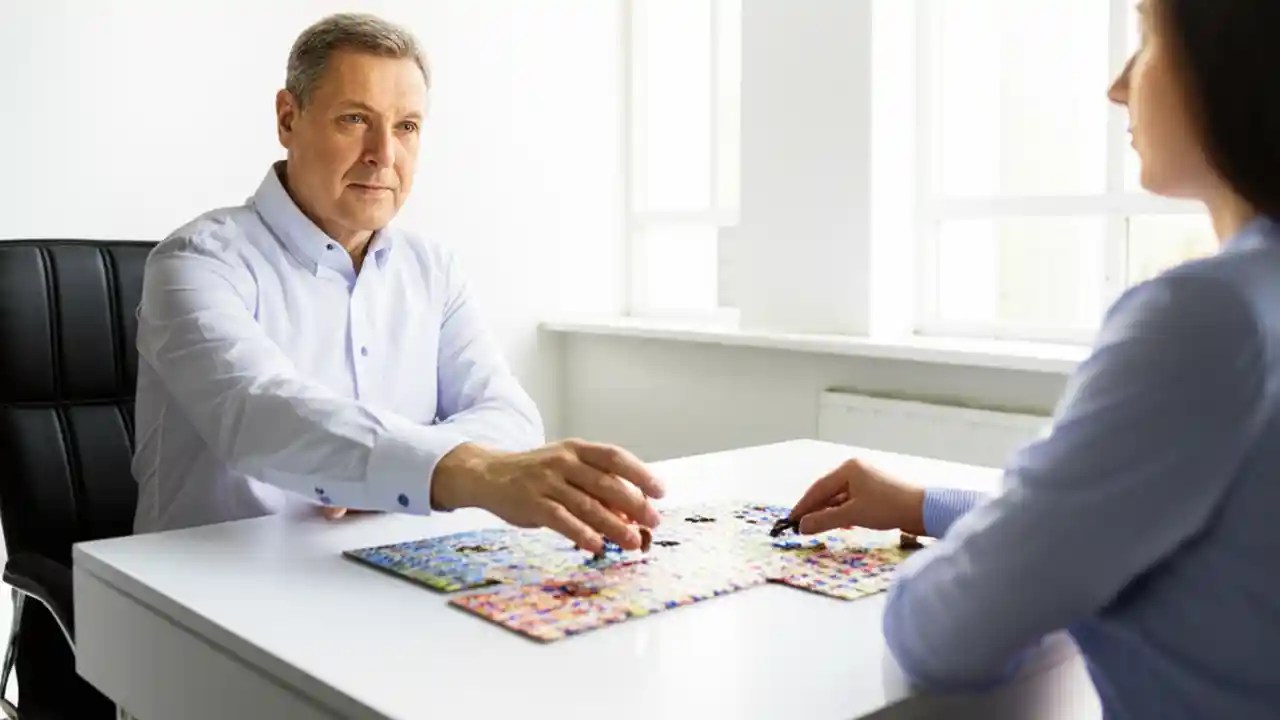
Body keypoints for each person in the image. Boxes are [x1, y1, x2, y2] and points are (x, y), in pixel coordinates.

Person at [788, 1, 1280, 717]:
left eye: (1144, 41)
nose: (1118, 86)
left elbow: (949, 630)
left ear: (1232, 59)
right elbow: (1146, 525)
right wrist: (922, 506)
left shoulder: (1208, 320)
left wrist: (968, 569)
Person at [131, 12, 663, 553]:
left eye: (406, 126)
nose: (384, 154)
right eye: (355, 119)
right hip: (204, 593)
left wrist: (390, 475)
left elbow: (511, 418)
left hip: (389, 571)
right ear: (288, 118)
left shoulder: (434, 270)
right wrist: (432, 469)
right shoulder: (194, 263)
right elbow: (260, 413)